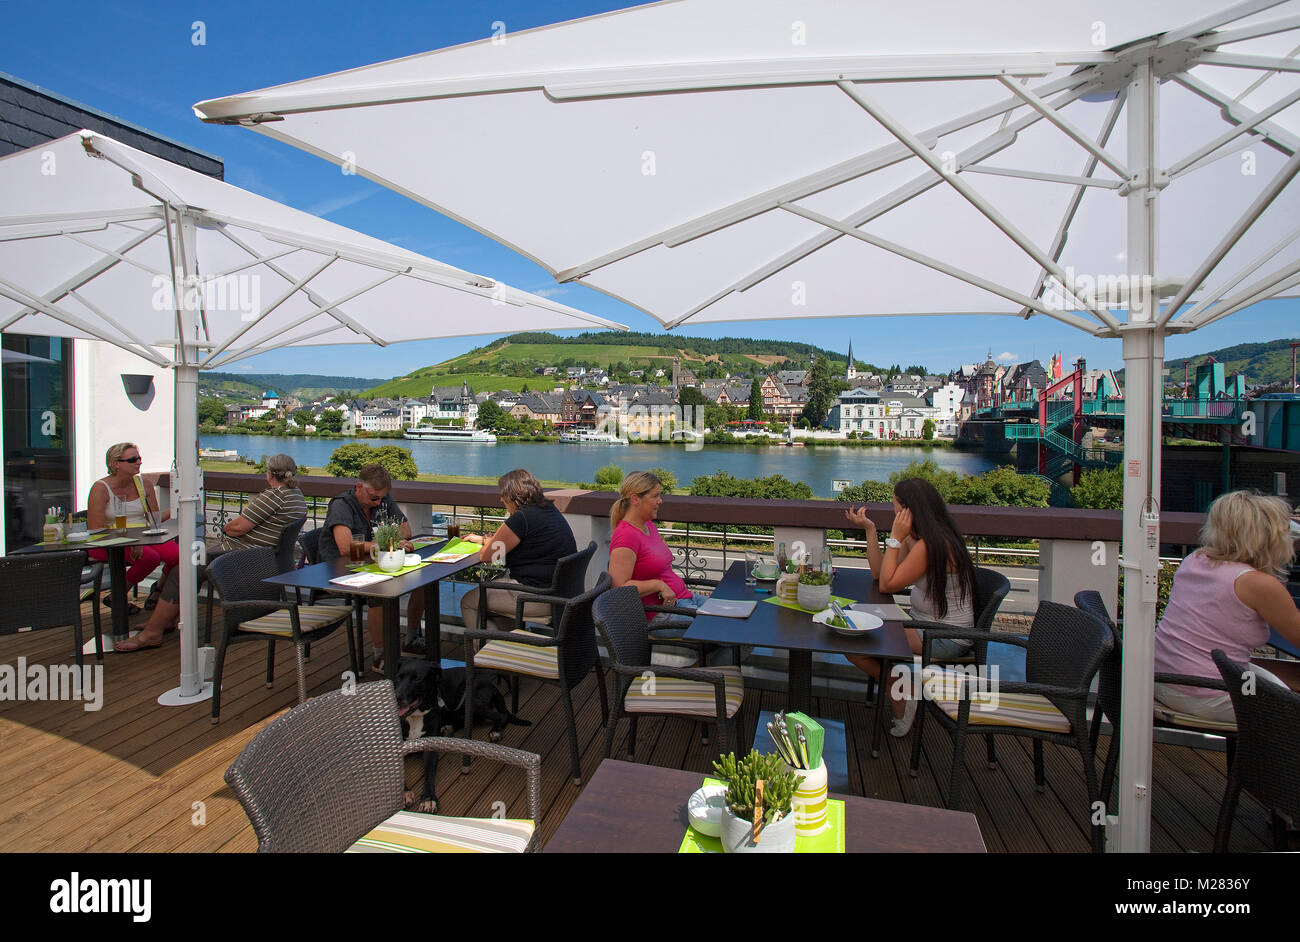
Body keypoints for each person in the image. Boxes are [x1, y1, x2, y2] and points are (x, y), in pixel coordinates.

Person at [843, 476, 976, 737]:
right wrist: (870, 530)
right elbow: (881, 574)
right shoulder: (918, 538)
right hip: (921, 623)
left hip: (945, 636)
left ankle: (902, 690)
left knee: (854, 639)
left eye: (894, 504)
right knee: (853, 634)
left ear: (907, 509)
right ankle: (901, 685)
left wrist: (894, 537)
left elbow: (887, 586)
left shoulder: (932, 544)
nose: (893, 511)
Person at [1153, 490, 1300, 723]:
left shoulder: (1196, 560)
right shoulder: (1258, 584)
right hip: (1207, 693)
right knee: (1289, 712)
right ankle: (1267, 759)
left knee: (1283, 678)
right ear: (1268, 537)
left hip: (1165, 680)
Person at [320, 464, 421, 672]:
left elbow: (406, 530)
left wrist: (388, 541)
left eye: (382, 498)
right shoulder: (342, 505)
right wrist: (383, 543)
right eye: (374, 498)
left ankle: (412, 638)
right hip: (340, 569)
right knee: (380, 592)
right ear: (359, 487)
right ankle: (380, 656)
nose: (379, 502)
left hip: (372, 563)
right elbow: (345, 546)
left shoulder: (381, 499)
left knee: (422, 581)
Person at [459, 469, 577, 631]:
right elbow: (511, 543)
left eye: (503, 495)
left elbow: (489, 556)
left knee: (468, 602)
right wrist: (487, 540)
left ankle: (490, 652)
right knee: (495, 587)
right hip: (559, 594)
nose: (501, 499)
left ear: (513, 496)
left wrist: (488, 542)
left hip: (535, 597)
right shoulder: (548, 510)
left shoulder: (522, 518)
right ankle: (508, 643)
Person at [86, 442, 179, 632]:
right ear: (115, 464)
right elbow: (95, 529)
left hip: (142, 537)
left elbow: (153, 520)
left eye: (139, 458)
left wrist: (177, 508)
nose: (138, 462)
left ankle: (159, 590)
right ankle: (118, 595)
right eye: (132, 459)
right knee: (150, 558)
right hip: (108, 540)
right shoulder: (101, 488)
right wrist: (132, 540)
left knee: (180, 557)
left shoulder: (143, 484)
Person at [607, 471, 696, 631]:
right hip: (660, 615)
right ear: (635, 499)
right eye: (655, 496)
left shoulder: (649, 526)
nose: (660, 501)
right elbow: (619, 587)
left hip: (684, 599)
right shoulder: (626, 536)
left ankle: (706, 655)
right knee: (731, 631)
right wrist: (658, 585)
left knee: (743, 620)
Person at [219, 454, 307, 552]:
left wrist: (224, 529)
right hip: (273, 556)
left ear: (270, 474)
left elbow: (238, 528)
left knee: (201, 560)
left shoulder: (276, 495)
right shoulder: (296, 493)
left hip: (246, 555)